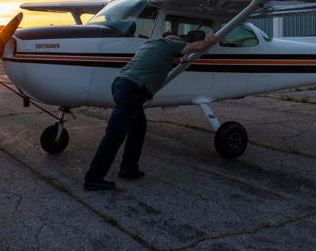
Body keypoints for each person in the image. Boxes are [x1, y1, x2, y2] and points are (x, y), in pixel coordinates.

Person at [84, 30, 217, 191]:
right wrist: (210, 40)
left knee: (138, 129)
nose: (179, 46)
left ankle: (129, 168)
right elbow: (198, 46)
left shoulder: (151, 45)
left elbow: (173, 59)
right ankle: (94, 178)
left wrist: (179, 59)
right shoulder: (170, 44)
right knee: (114, 136)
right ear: (173, 41)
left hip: (122, 85)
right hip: (133, 91)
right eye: (178, 43)